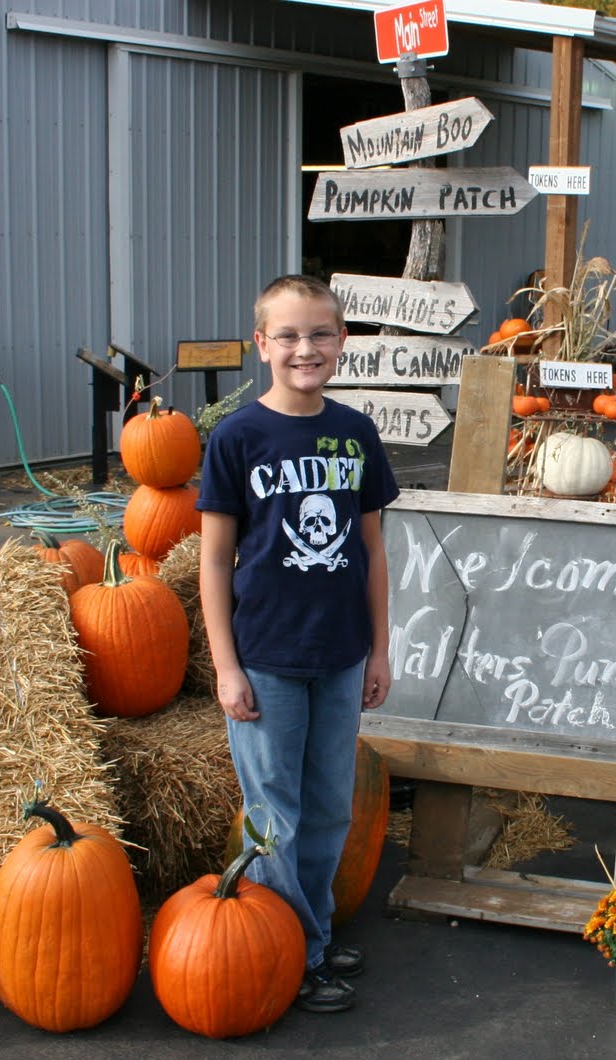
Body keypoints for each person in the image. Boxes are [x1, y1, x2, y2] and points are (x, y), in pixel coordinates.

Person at [197, 274, 398, 1013]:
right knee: (273, 812)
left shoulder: (356, 433)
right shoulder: (237, 437)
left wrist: (379, 649)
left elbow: (372, 550)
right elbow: (215, 560)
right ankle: (290, 955)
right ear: (262, 344)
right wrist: (225, 666)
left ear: (341, 342)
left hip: (341, 654)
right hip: (267, 657)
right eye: (287, 335)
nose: (304, 348)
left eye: (319, 334)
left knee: (329, 808)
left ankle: (307, 931)